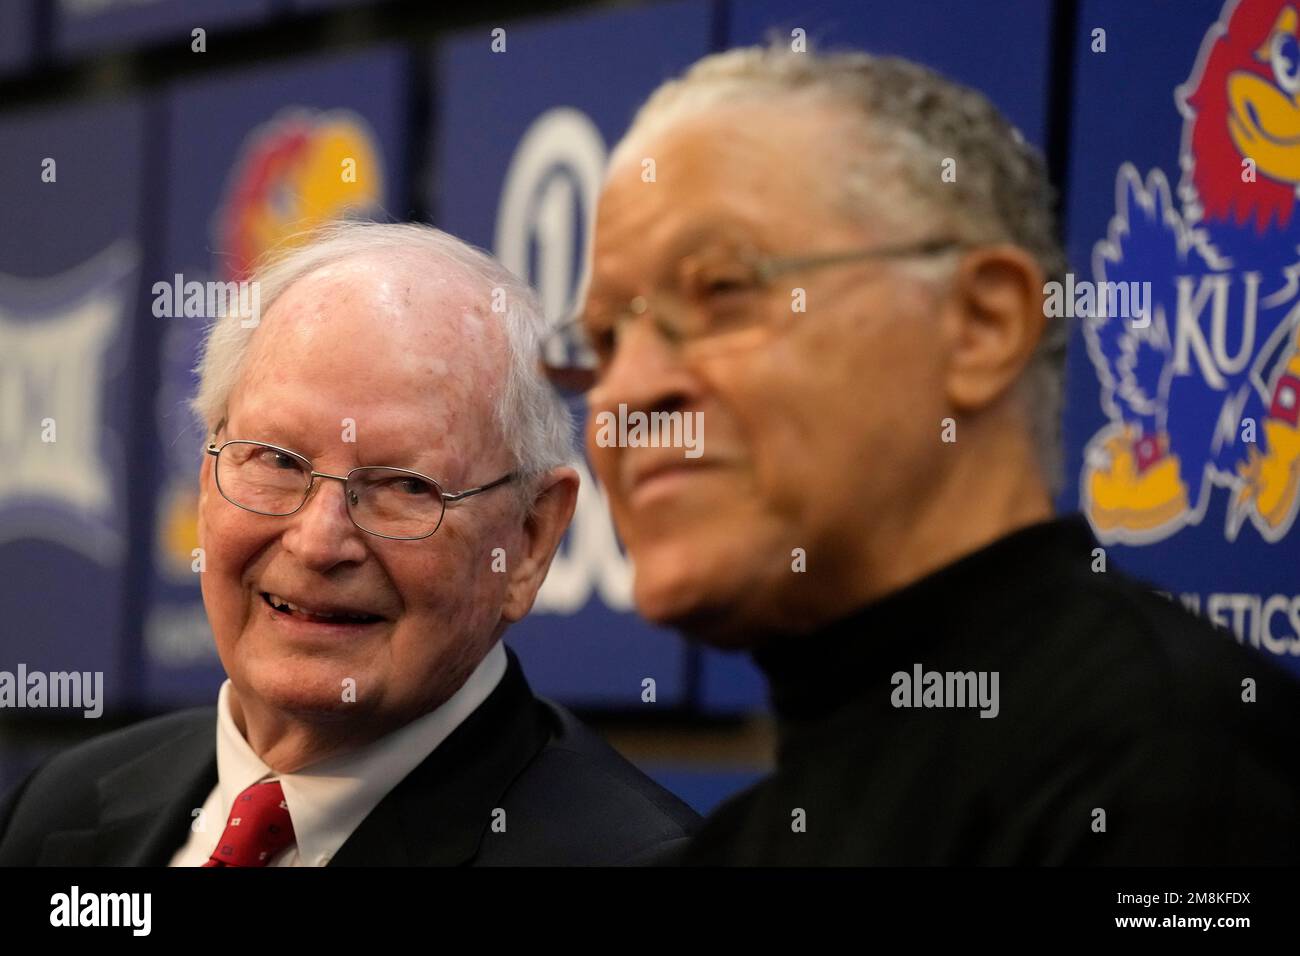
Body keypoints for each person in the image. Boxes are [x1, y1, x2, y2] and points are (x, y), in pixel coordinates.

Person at [557, 45, 1300, 864]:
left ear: (981, 326)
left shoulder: (1174, 775)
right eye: (603, 340)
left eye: (723, 291)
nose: (625, 396)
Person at [0, 222, 697, 867]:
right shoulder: (60, 811)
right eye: (274, 460)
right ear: (207, 472)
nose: (317, 540)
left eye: (403, 485)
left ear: (531, 538)